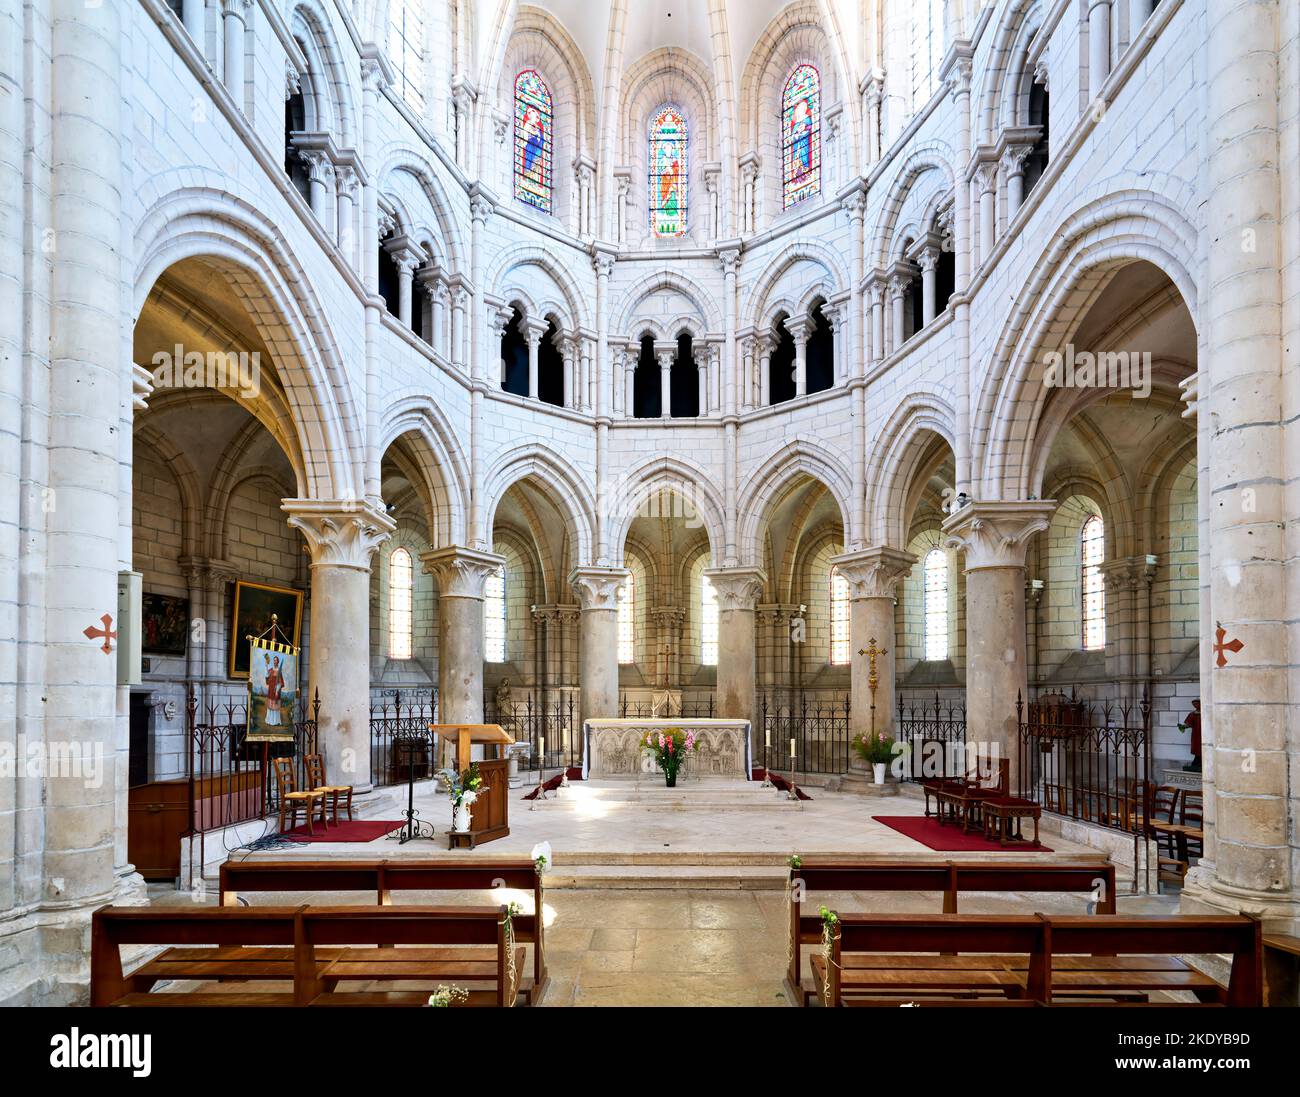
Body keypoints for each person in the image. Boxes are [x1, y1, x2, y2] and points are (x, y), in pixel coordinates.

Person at [1180, 698, 1201, 771]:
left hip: (1204, 735)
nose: (1195, 705)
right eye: (1194, 704)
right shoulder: (1192, 714)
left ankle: (1198, 762)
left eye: (1197, 703)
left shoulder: (1205, 712)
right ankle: (1197, 762)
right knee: (1196, 747)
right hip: (1196, 734)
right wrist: (1183, 727)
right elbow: (1188, 724)